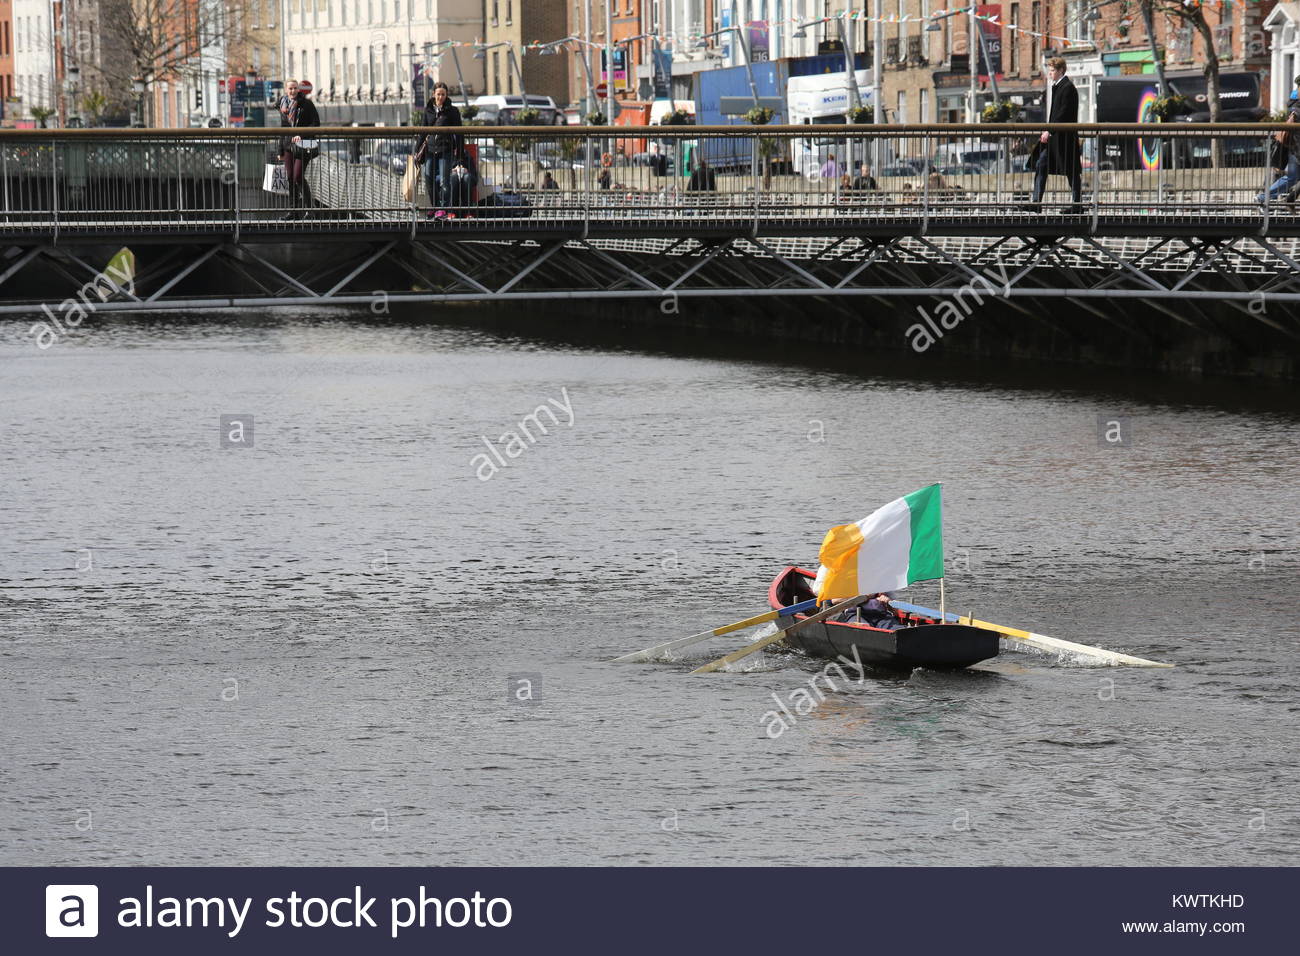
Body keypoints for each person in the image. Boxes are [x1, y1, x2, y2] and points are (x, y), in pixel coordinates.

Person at [1029, 57, 1082, 213]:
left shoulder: (1068, 88)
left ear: (1061, 71)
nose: (1049, 74)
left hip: (1064, 138)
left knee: (1071, 172)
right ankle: (1036, 203)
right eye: (1049, 70)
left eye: (1052, 71)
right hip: (1056, 138)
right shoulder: (1059, 87)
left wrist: (1049, 130)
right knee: (1041, 165)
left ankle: (1078, 206)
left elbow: (1064, 113)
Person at [413, 81, 464, 219]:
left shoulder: (452, 111)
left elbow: (459, 134)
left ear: (446, 95)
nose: (440, 97)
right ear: (433, 95)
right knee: (428, 178)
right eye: (438, 94)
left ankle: (443, 209)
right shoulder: (428, 110)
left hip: (445, 149)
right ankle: (435, 206)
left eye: (443, 94)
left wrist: (459, 155)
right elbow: (423, 131)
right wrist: (416, 151)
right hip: (430, 149)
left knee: (444, 181)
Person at [279, 79, 320, 220]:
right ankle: (293, 212)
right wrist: (280, 150)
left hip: (303, 145)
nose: (293, 91)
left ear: (298, 89)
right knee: (290, 178)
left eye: (295, 88)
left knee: (298, 176)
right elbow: (283, 128)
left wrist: (301, 134)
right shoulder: (283, 105)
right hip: (288, 146)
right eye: (290, 88)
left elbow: (316, 123)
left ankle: (310, 211)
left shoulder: (306, 104)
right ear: (286, 90)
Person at [1260, 85, 1300, 204]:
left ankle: (1265, 198)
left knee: (1291, 178)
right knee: (1290, 178)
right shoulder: (1297, 110)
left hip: (1295, 149)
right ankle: (1284, 199)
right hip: (1297, 150)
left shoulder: (1294, 107)